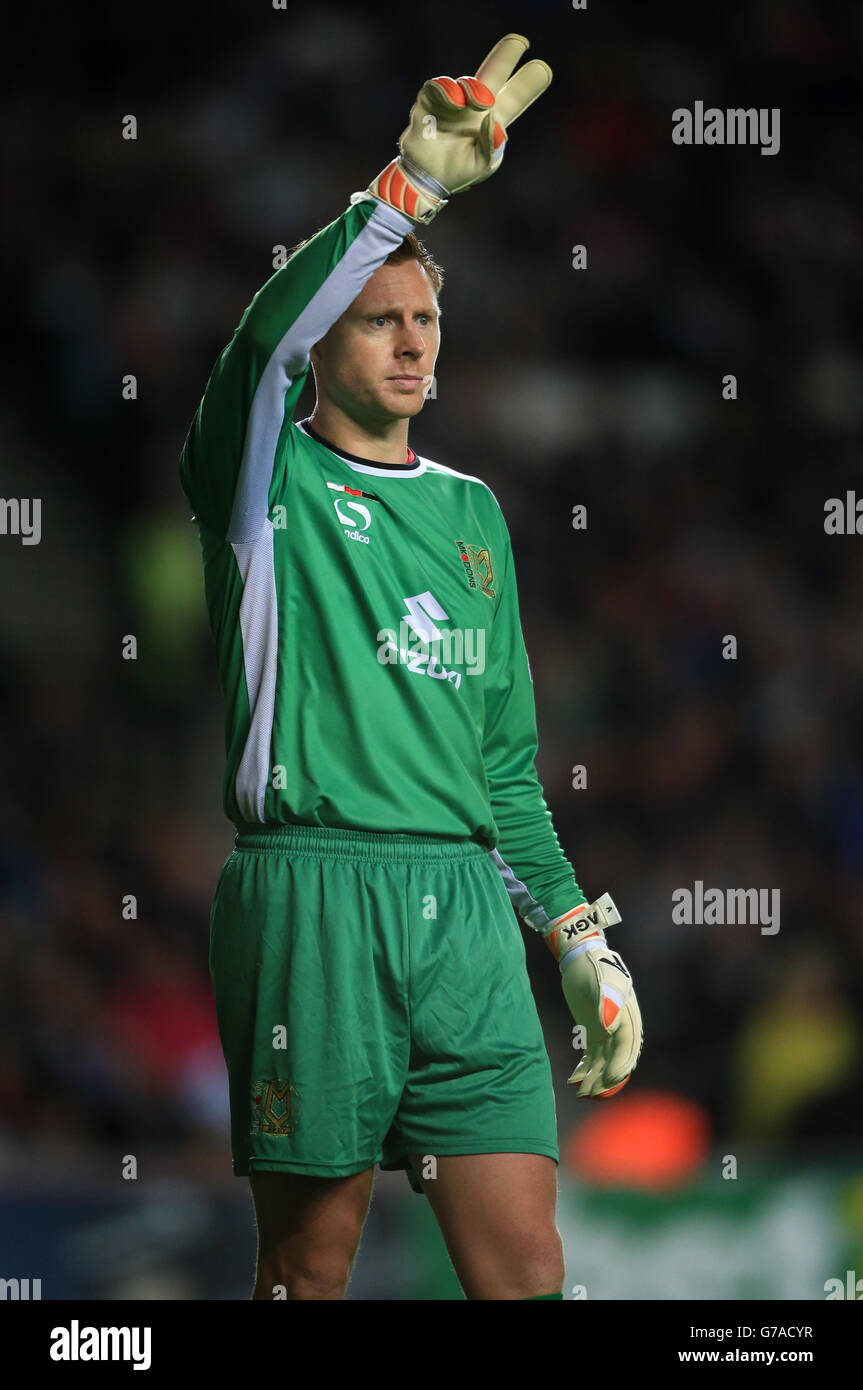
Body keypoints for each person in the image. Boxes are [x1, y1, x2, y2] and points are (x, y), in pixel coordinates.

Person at [180, 33, 643, 1302]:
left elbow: (500, 765)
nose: (407, 342)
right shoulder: (259, 484)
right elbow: (262, 338)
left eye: (424, 319)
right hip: (310, 897)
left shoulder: (475, 514)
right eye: (378, 319)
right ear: (327, 346)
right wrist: (402, 198)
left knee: (527, 1265)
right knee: (308, 1267)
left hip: (463, 924)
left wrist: (573, 937)